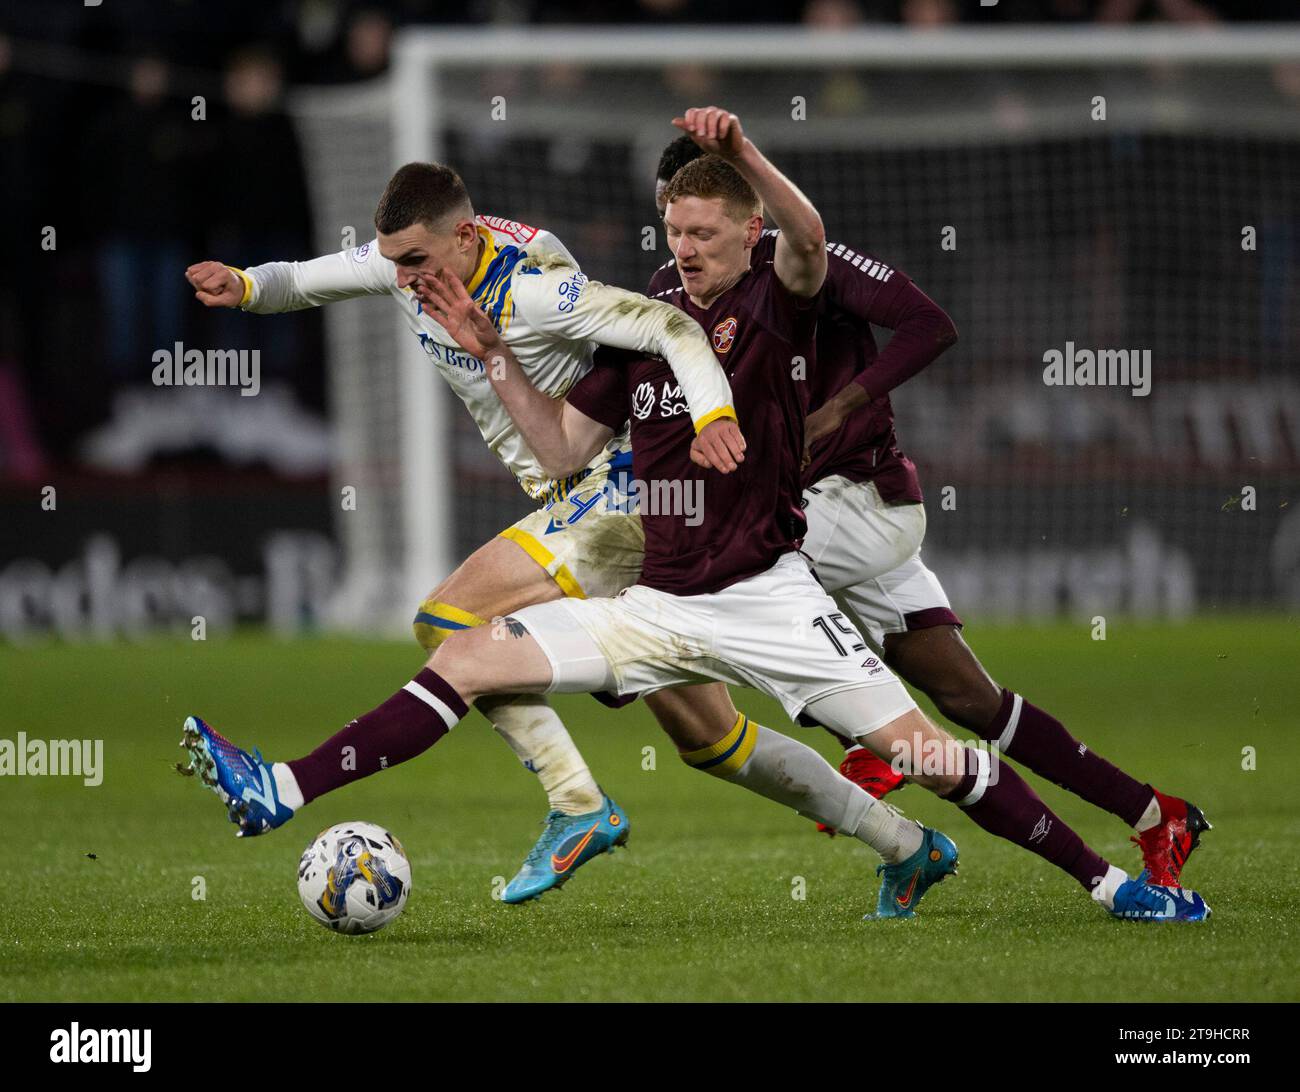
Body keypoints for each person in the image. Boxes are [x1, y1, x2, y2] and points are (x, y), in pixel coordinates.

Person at [181, 108, 1208, 924]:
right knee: (465, 654)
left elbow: (799, 252)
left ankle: (1110, 886)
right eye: (673, 231)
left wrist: (743, 175)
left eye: (704, 233)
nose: (686, 249)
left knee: (934, 751)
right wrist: (491, 357)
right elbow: (564, 453)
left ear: (747, 230)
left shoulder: (775, 296)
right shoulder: (642, 322)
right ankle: (282, 787)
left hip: (774, 587)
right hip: (659, 598)